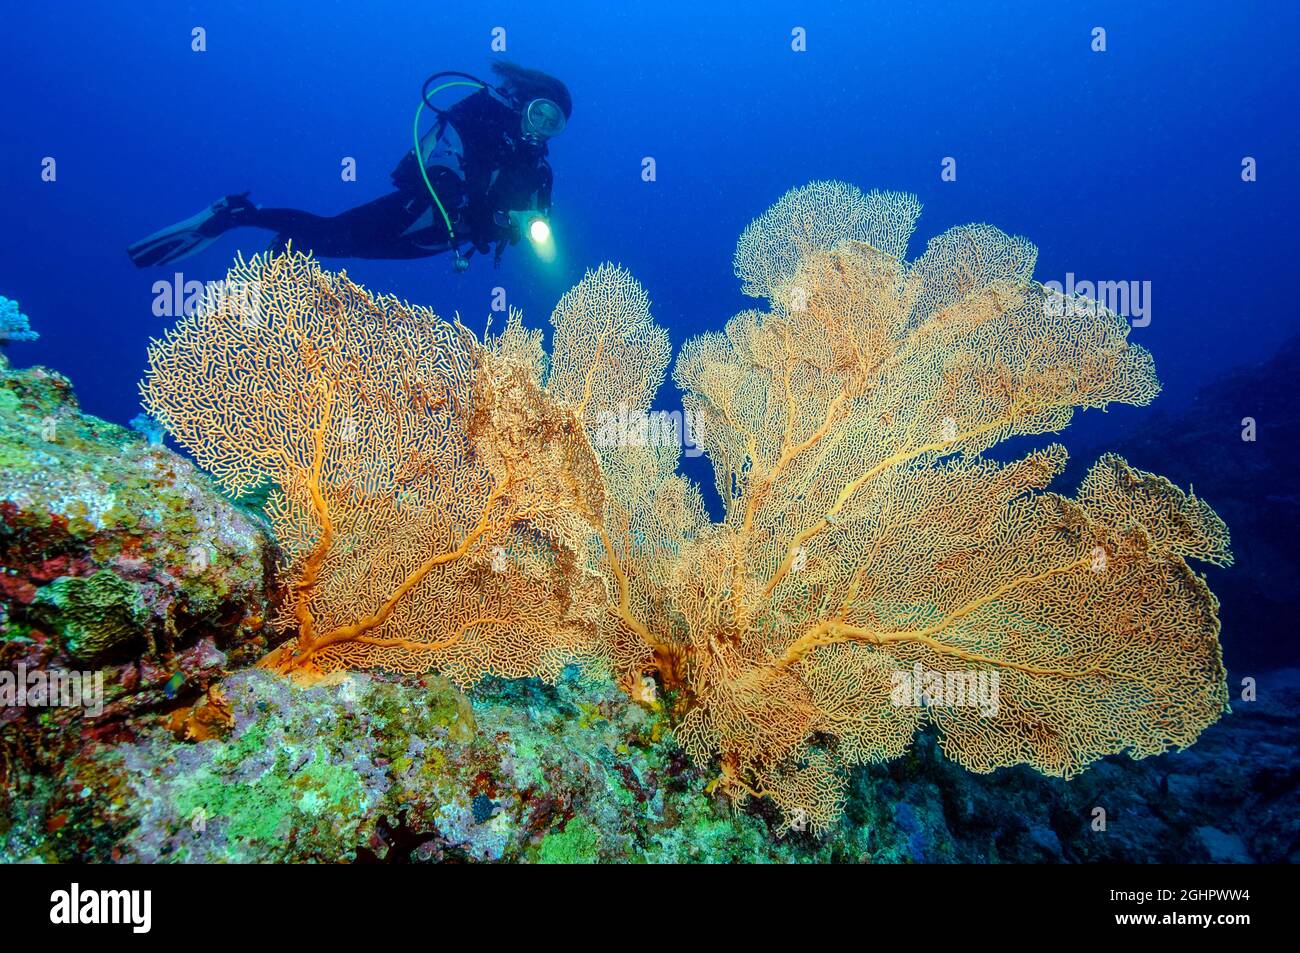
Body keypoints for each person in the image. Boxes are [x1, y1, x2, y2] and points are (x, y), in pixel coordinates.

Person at [127, 62, 569, 271]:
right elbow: (443, 159)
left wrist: (522, 226)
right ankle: (238, 214)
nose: (544, 125)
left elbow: (534, 225)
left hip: (437, 243)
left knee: (337, 245)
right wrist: (463, 196)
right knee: (330, 234)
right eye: (542, 111)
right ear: (528, 103)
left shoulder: (540, 172)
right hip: (420, 211)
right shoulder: (483, 120)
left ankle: (280, 250)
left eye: (555, 122)